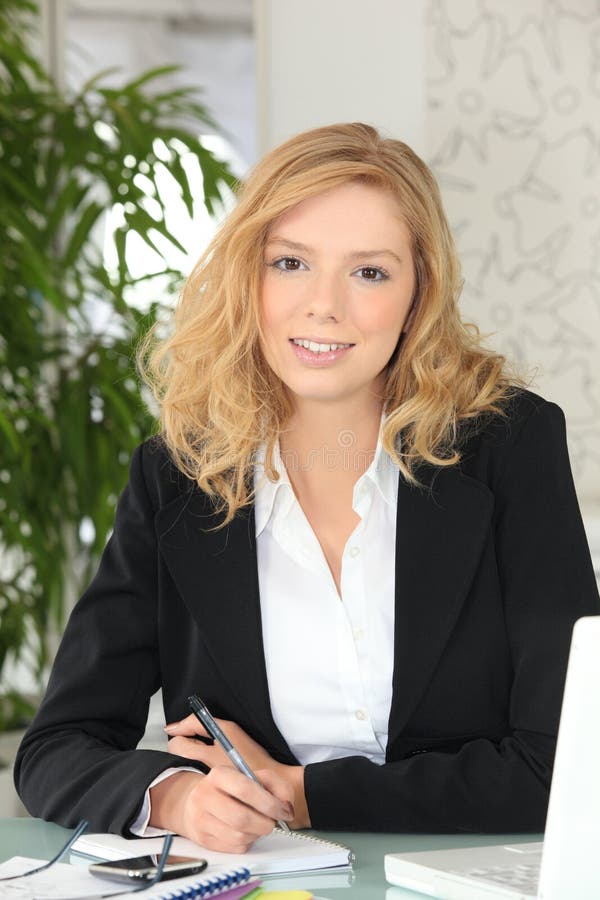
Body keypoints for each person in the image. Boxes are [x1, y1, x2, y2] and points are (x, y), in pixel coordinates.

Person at [14, 123, 599, 852]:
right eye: (290, 262)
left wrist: (298, 794)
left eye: (370, 272)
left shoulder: (507, 447)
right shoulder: (178, 476)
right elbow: (56, 748)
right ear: (247, 278)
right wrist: (179, 799)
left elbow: (569, 766)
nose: (323, 305)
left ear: (419, 293)